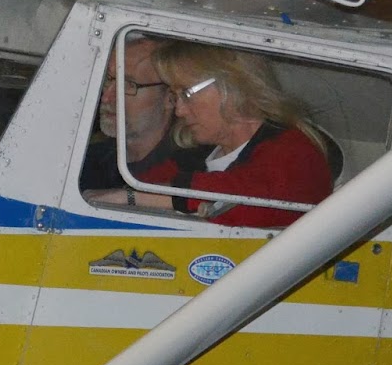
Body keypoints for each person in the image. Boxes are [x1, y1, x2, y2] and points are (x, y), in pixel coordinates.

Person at [132, 42, 333, 228]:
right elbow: (145, 184)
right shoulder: (194, 157)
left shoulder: (295, 155)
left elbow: (252, 198)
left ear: (231, 84)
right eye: (175, 96)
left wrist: (135, 198)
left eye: (186, 93)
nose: (179, 111)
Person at [80, 34, 202, 200]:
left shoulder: (192, 173)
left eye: (128, 84)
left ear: (170, 97)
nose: (107, 97)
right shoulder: (85, 162)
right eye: (108, 79)